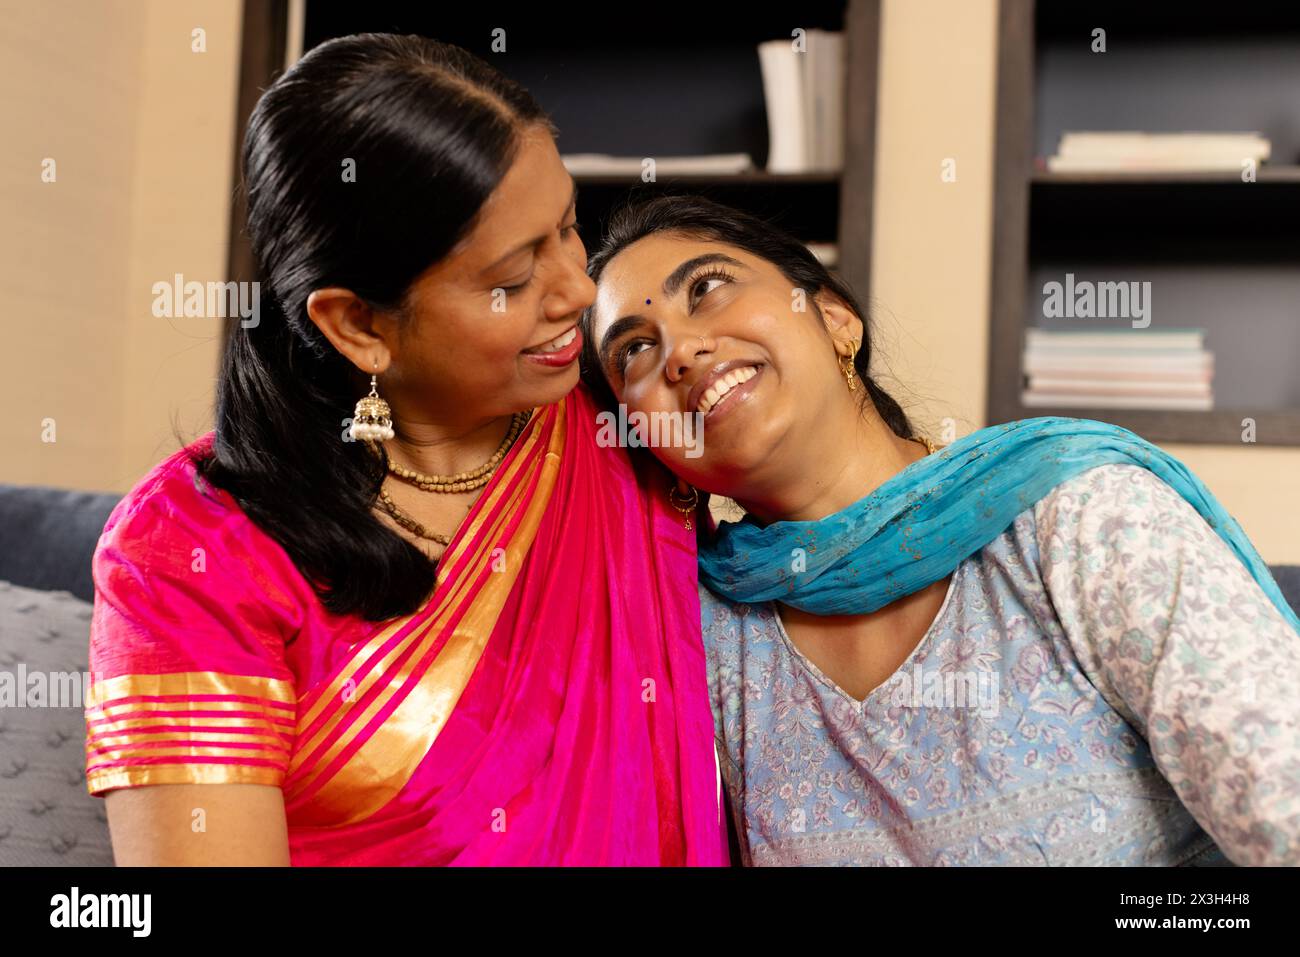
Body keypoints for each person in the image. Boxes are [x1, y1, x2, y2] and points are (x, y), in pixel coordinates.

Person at [86, 36, 726, 867]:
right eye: (513, 276)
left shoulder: (630, 410)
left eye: (569, 226)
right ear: (358, 325)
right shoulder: (187, 554)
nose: (576, 287)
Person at [580, 194, 1300, 866]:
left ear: (835, 318)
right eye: (633, 352)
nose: (678, 353)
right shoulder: (699, 640)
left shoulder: (1081, 517)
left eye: (705, 289)